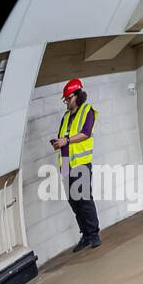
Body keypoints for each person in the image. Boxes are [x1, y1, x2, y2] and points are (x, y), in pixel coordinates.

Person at [50, 78, 101, 251]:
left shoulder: (88, 110)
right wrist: (58, 142)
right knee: (74, 201)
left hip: (80, 162)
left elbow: (86, 133)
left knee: (84, 198)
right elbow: (63, 137)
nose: (66, 102)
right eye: (65, 99)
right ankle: (85, 235)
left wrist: (67, 140)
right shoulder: (65, 117)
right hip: (65, 164)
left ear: (78, 96)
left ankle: (94, 234)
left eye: (68, 98)